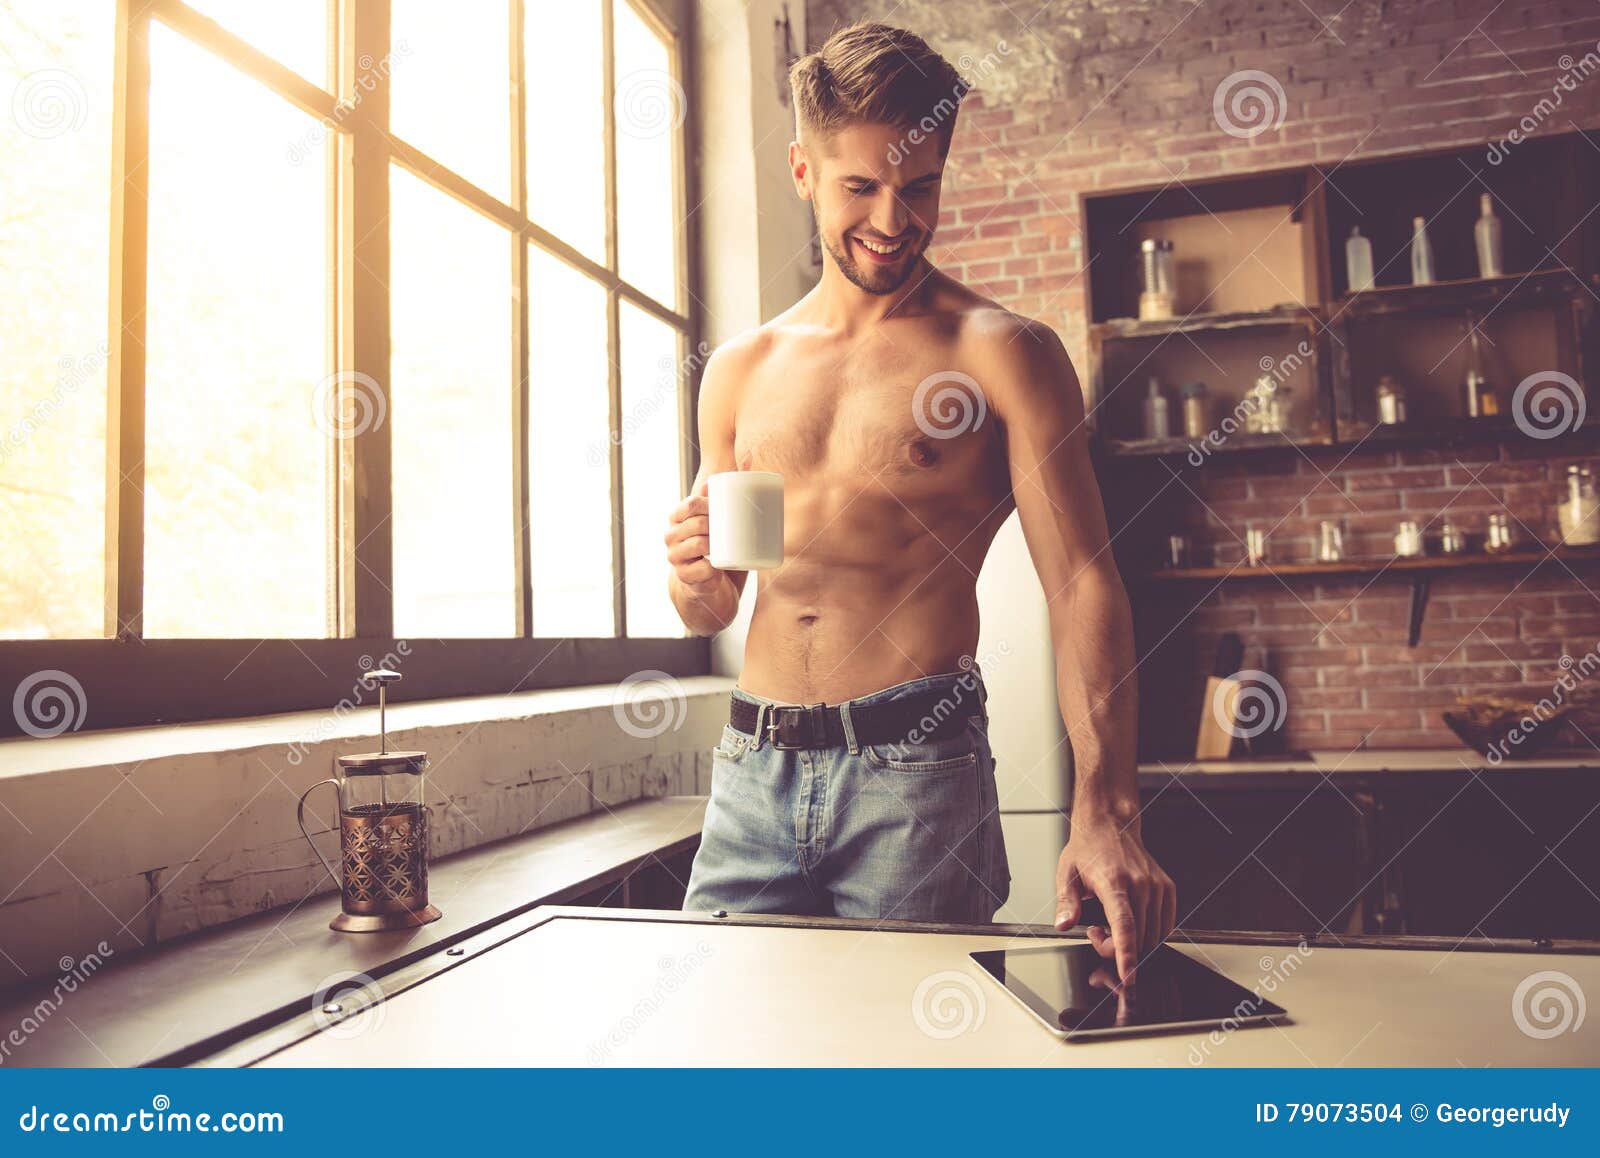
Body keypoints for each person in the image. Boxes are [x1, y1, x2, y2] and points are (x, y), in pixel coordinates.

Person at [664, 21, 1175, 985]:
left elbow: (1083, 582)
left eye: (922, 186)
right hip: (751, 770)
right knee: (723, 1043)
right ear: (803, 172)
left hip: (914, 775)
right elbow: (717, 603)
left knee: (912, 1066)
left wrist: (1105, 808)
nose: (894, 221)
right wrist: (693, 581)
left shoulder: (1001, 352)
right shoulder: (738, 370)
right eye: (860, 186)